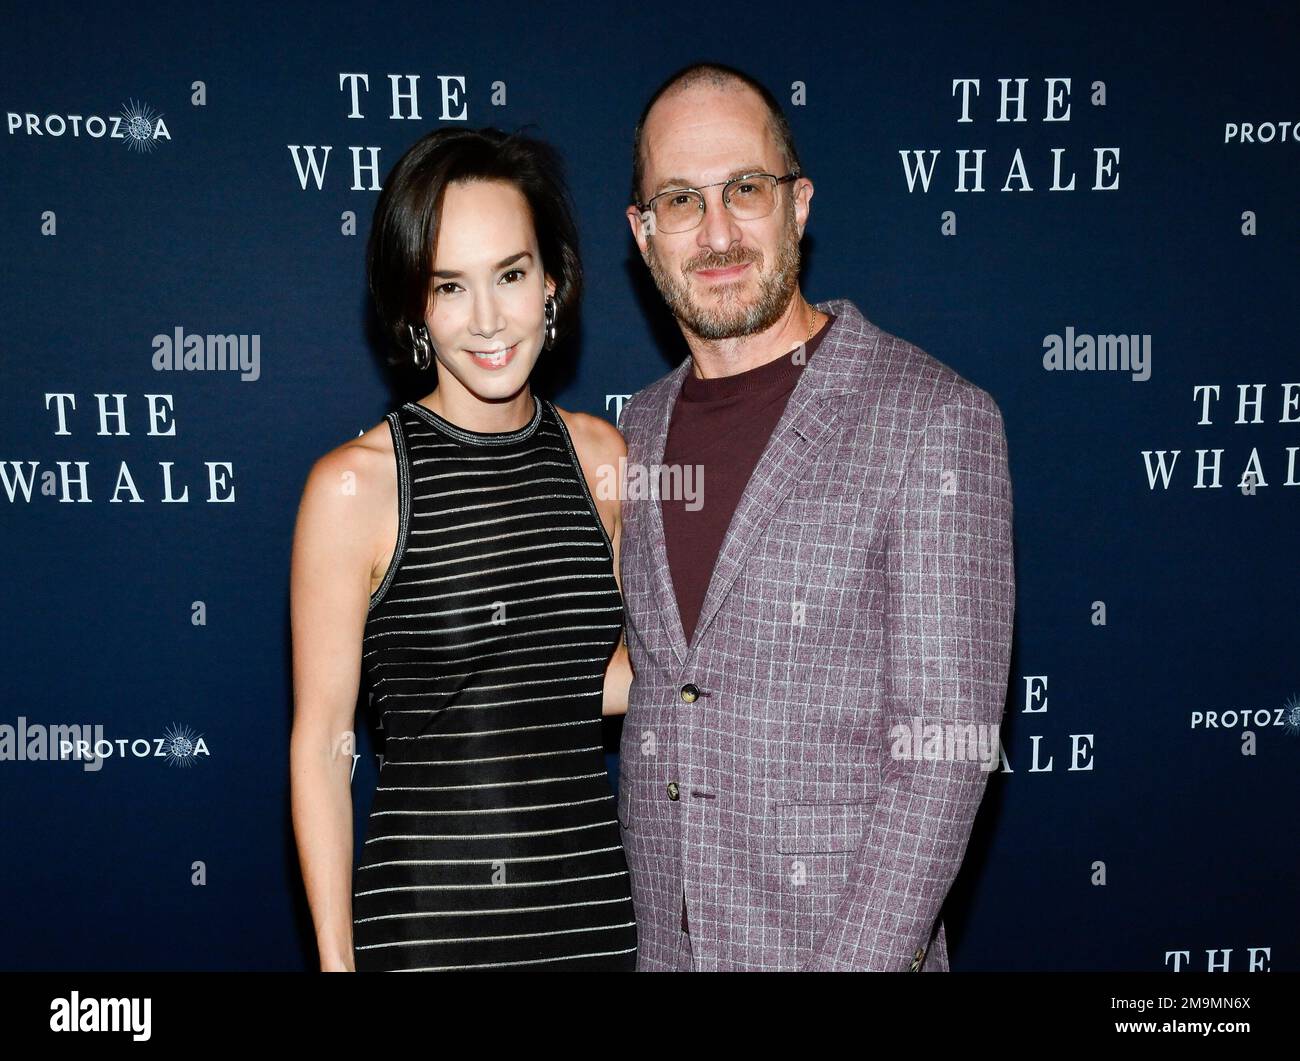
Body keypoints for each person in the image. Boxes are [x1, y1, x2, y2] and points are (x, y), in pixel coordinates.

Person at [616, 62, 1016, 971]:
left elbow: (945, 758)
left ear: (797, 203)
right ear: (643, 235)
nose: (716, 231)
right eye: (681, 200)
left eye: (744, 189)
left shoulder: (931, 417)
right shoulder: (633, 431)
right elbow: (655, 679)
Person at [289, 127, 637, 972]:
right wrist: (338, 966)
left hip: (593, 918)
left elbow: (613, 679)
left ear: (552, 279)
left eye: (511, 275)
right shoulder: (354, 486)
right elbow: (322, 746)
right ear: (414, 304)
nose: (487, 319)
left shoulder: (604, 459)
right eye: (450, 285)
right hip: (430, 933)